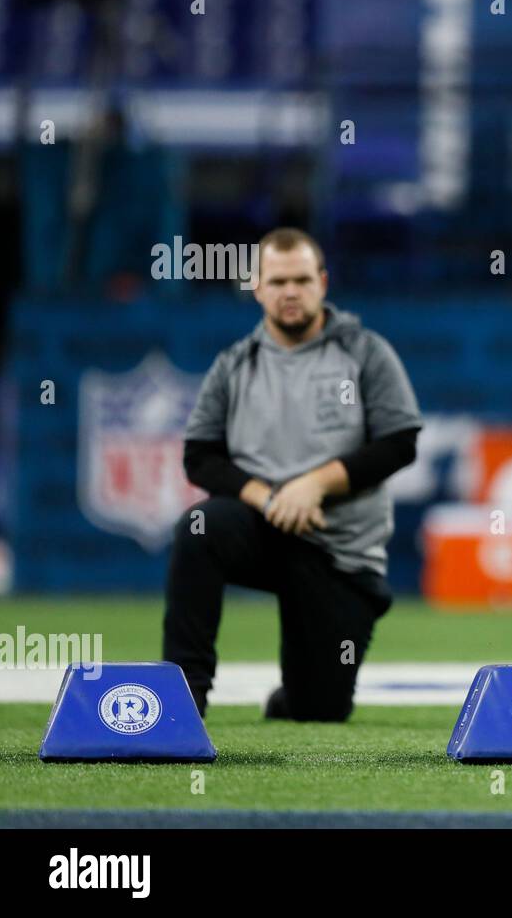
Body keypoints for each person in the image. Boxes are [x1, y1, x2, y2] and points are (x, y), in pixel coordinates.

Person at [164, 227, 422, 721]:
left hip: (337, 549)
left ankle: (296, 693)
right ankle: (180, 702)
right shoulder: (234, 364)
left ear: (322, 282)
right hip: (260, 529)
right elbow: (199, 454)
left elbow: (399, 442)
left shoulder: (365, 352)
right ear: (256, 287)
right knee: (198, 529)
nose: (290, 292)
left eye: (302, 279)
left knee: (319, 709)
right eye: (277, 281)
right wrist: (267, 498)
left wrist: (314, 486)